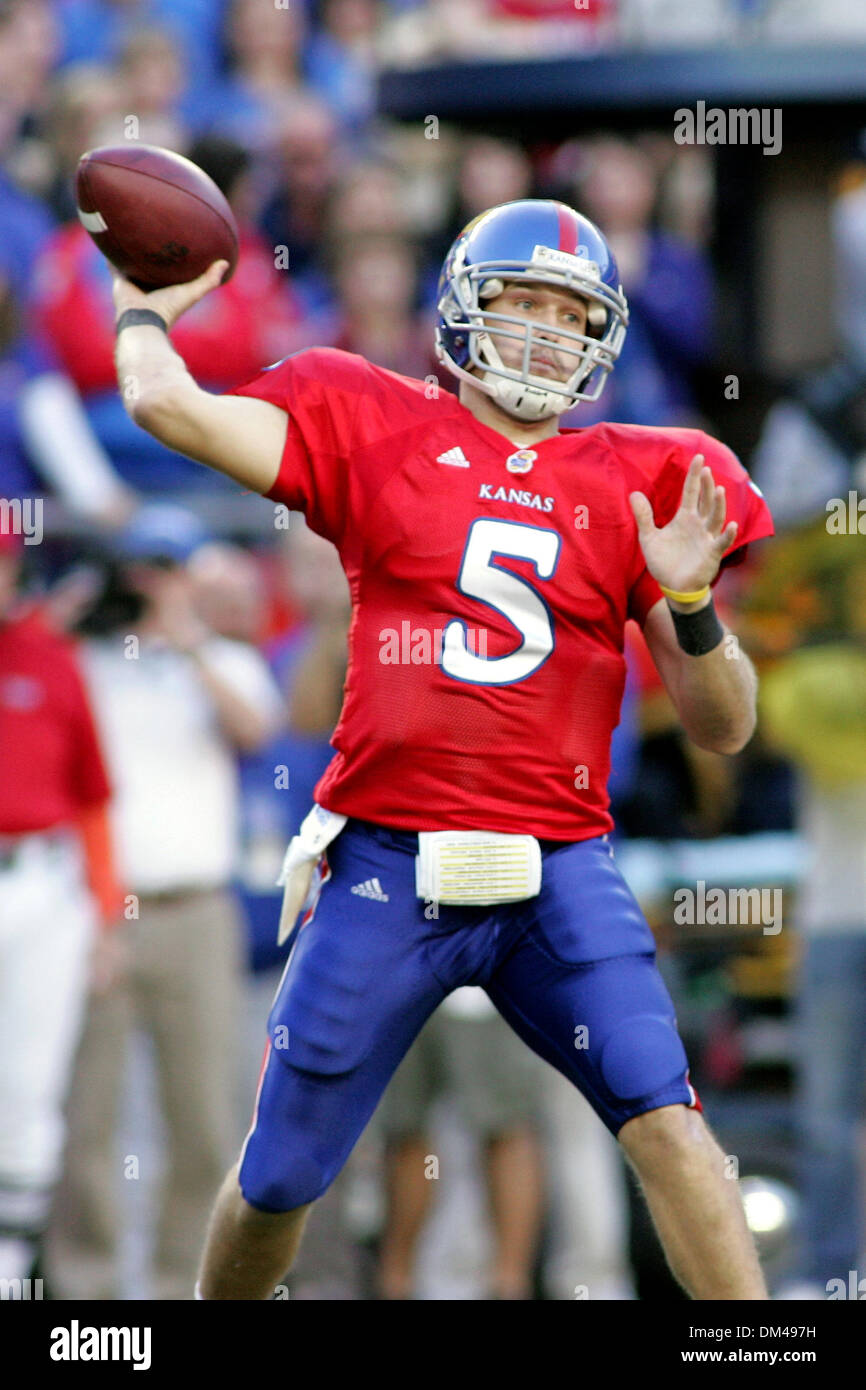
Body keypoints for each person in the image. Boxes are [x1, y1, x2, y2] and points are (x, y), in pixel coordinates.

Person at [109, 197, 775, 1301]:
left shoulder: (644, 474)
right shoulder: (367, 415)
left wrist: (693, 597)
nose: (547, 336)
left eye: (571, 316)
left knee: (666, 1118)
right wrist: (142, 308)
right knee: (280, 1174)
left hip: (559, 862)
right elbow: (163, 405)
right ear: (465, 308)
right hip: (385, 860)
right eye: (523, 306)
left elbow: (725, 723)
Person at [0, 525, 120, 1289]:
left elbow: (92, 800)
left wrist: (109, 912)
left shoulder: (51, 658)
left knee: (31, 1091)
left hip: (43, 882)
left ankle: (11, 1274)